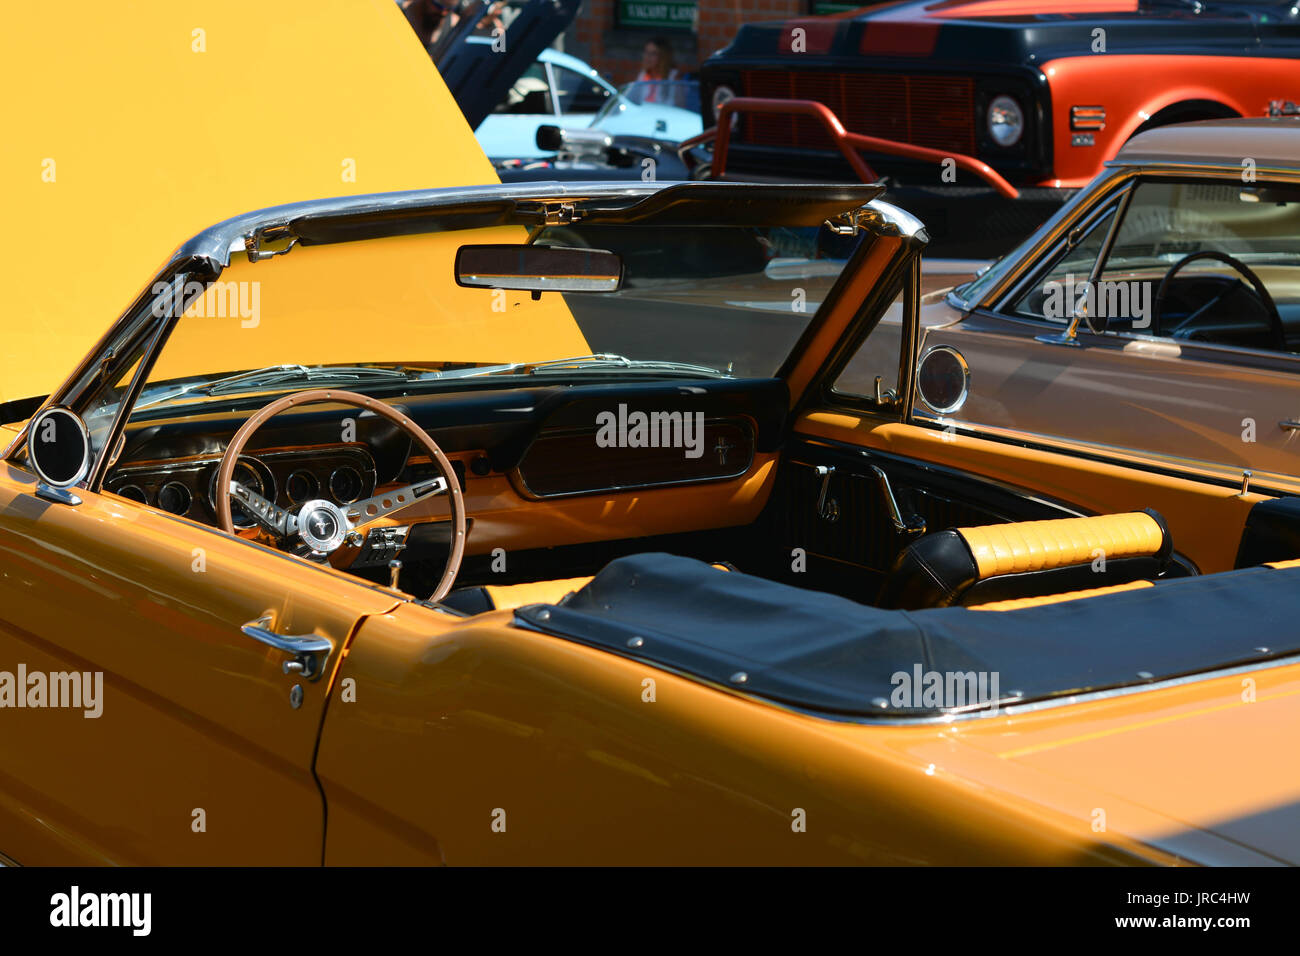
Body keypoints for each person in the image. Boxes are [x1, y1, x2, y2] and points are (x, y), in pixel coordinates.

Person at [635, 37, 680, 104]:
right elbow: (635, 98)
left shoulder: (673, 76)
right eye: (646, 52)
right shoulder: (643, 74)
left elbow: (678, 105)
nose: (648, 57)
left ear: (663, 56)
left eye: (653, 53)